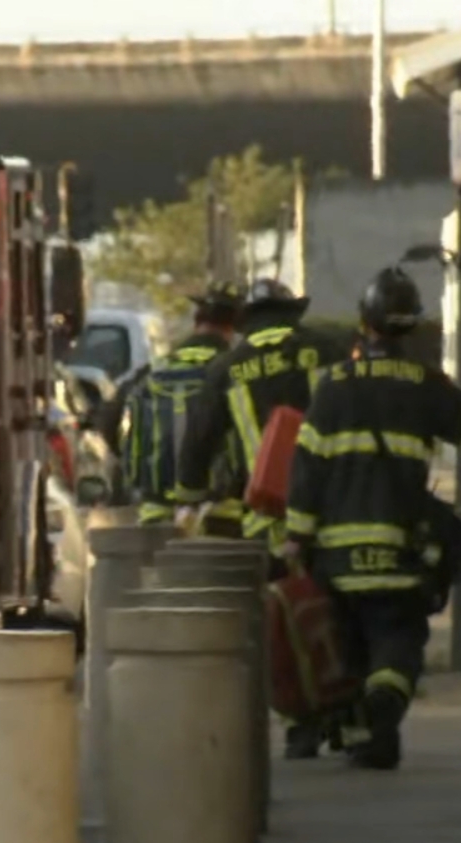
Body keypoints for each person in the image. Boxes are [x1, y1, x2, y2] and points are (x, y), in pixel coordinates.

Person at [279, 267, 461, 770]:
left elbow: (305, 474)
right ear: (410, 327)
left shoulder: (331, 389)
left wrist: (296, 540)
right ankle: (381, 716)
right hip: (401, 551)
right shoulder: (426, 386)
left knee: (350, 647)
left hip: (336, 556)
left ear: (365, 324)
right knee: (398, 641)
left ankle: (366, 733)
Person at [173, 277, 348, 756]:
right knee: (338, 612)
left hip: (269, 516)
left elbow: (198, 443)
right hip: (336, 511)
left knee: (287, 622)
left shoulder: (228, 368)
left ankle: (302, 722)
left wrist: (189, 497)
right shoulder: (328, 350)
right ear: (291, 313)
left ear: (247, 322)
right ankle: (347, 714)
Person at [120, 283, 242, 526]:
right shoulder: (233, 371)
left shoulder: (154, 371)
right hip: (220, 511)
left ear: (197, 322)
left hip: (157, 511)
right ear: (234, 328)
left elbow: (109, 419)